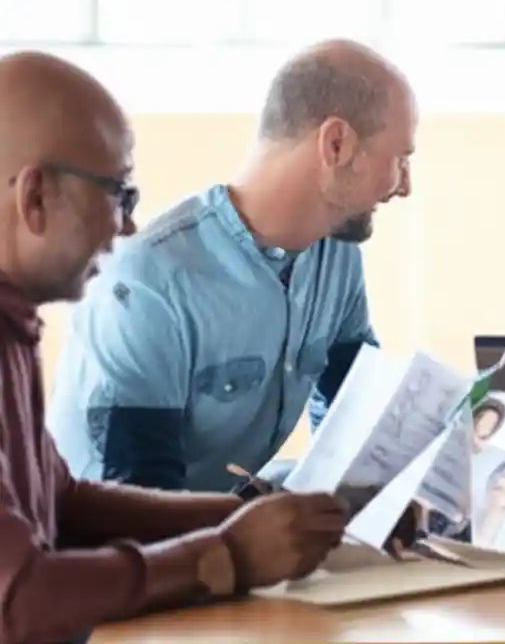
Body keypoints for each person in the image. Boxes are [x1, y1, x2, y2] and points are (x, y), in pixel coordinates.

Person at [0, 50, 350, 644]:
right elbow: (16, 604)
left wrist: (276, 521)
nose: (128, 227)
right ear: (36, 197)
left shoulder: (13, 327)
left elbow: (63, 503)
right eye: (120, 195)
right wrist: (224, 557)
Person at [47, 39, 416, 493]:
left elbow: (352, 420)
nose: (404, 186)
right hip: (117, 548)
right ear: (336, 144)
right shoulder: (147, 282)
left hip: (217, 532)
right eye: (400, 159)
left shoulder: (336, 257)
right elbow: (143, 497)